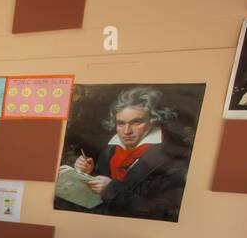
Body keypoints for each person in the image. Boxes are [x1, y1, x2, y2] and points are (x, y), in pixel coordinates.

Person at [67, 86, 190, 222]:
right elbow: (101, 187)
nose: (126, 131)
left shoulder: (173, 154)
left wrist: (111, 189)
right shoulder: (110, 149)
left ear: (153, 120)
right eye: (121, 123)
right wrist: (88, 173)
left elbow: (158, 206)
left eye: (136, 122)